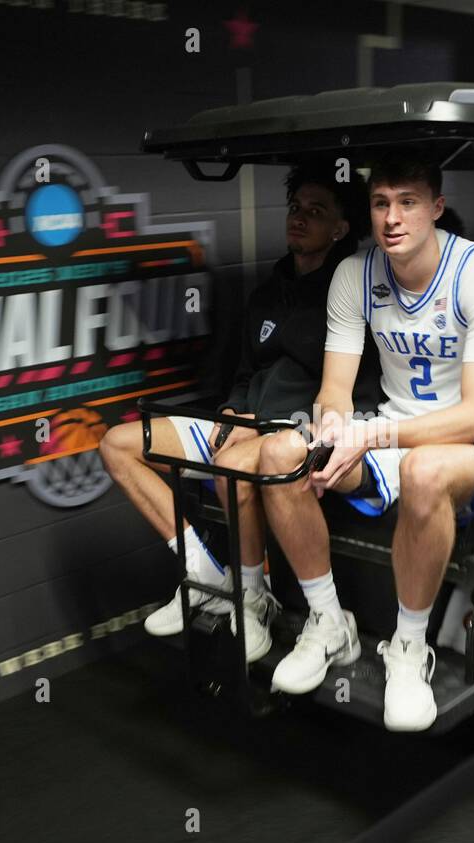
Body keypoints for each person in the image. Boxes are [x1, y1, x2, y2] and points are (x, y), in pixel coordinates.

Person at [255, 150, 474, 732]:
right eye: (380, 203)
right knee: (278, 454)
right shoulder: (356, 273)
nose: (392, 218)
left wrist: (370, 434)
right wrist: (331, 428)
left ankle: (408, 649)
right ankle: (330, 623)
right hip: (391, 425)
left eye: (407, 203)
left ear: (436, 208)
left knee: (423, 471)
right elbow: (334, 392)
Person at [99, 163, 370, 661]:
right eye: (295, 209)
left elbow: (356, 394)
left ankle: (253, 597)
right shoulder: (267, 293)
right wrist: (230, 409)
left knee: (230, 465)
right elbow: (246, 374)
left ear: (341, 228)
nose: (299, 219)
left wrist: (277, 428)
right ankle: (203, 577)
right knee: (117, 444)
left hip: (293, 437)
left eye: (316, 212)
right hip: (242, 425)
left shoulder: (352, 292)